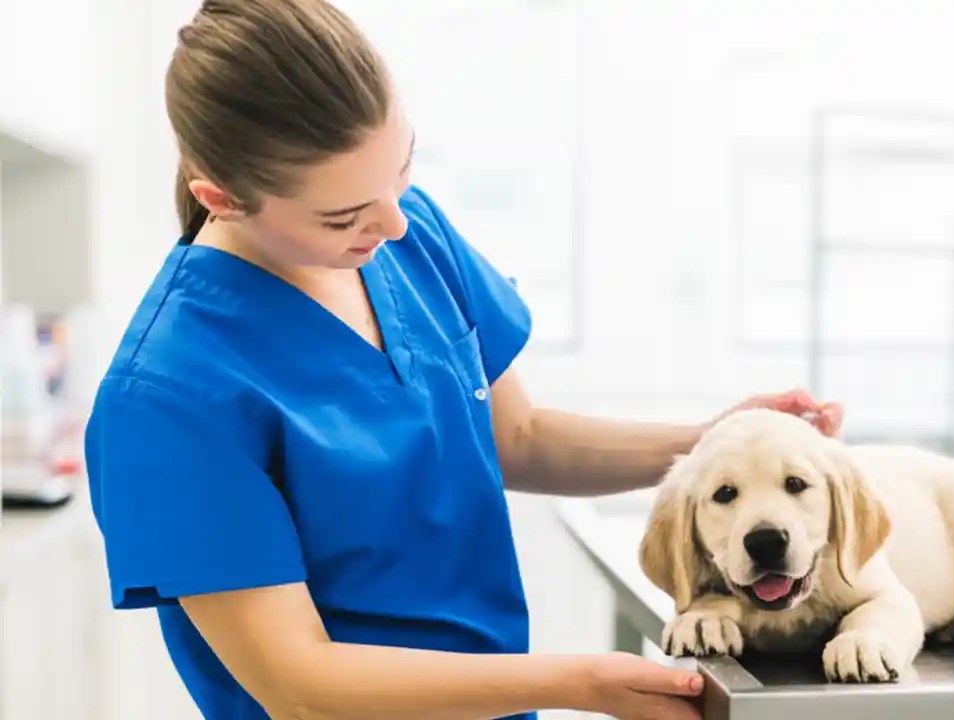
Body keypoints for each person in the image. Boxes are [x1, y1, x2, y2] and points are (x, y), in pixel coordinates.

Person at [82, 2, 845, 719]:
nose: (390, 221)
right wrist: (582, 679)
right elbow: (300, 685)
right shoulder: (165, 395)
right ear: (221, 197)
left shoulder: (405, 235)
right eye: (343, 214)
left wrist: (720, 444)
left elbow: (519, 437)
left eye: (401, 170)